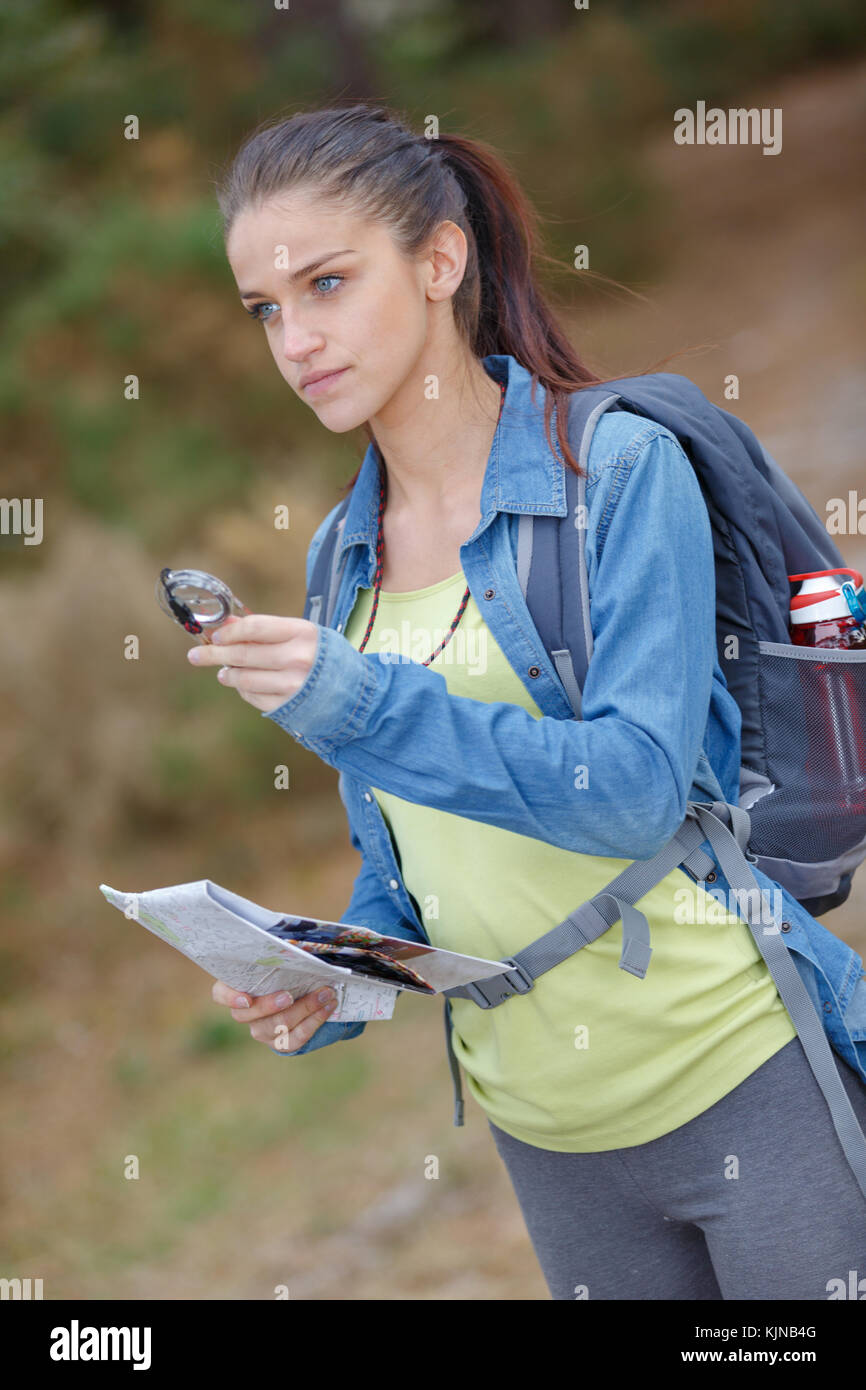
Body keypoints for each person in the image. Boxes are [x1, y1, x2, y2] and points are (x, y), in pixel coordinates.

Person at [191, 101, 866, 1299]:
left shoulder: (613, 472)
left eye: (328, 283)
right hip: (546, 1141)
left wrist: (353, 701)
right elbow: (414, 874)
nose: (294, 338)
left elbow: (631, 791)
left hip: (736, 1084)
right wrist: (328, 978)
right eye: (265, 309)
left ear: (440, 259)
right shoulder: (340, 558)